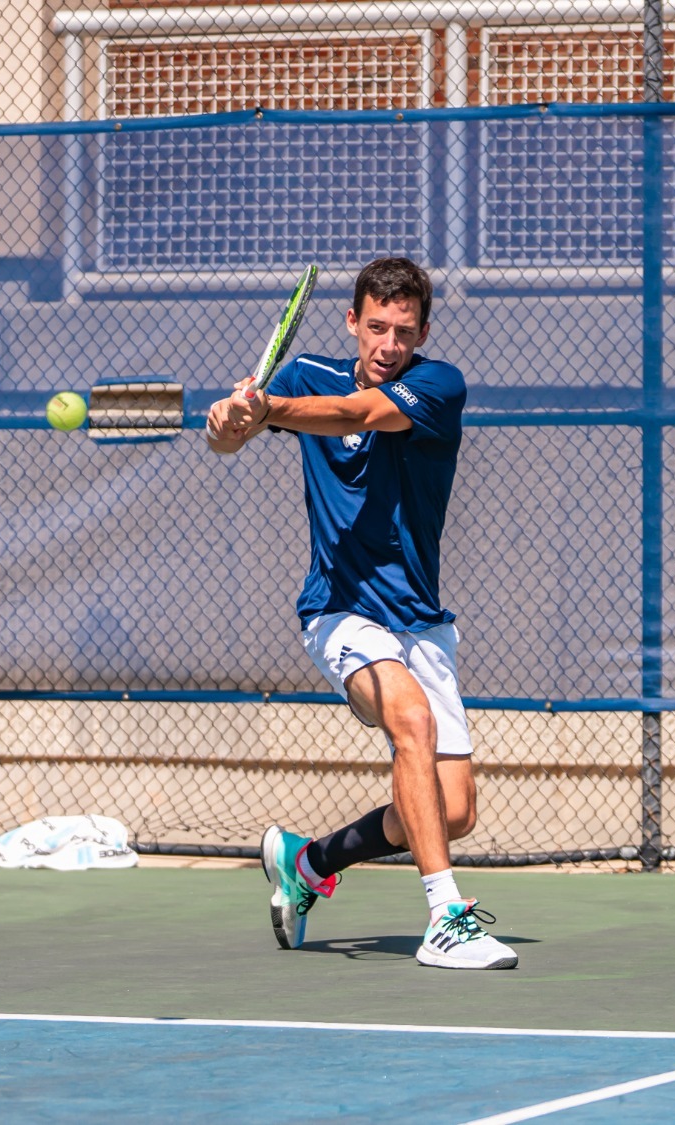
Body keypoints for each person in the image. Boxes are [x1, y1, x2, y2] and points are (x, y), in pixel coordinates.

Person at [204, 257, 518, 971]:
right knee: (412, 720)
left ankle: (308, 862)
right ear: (352, 321)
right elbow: (227, 439)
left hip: (422, 621)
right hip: (339, 610)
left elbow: (359, 414)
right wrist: (231, 418)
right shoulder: (306, 374)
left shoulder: (439, 384)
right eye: (375, 327)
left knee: (453, 812)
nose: (387, 344)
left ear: (423, 332)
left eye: (402, 332)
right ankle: (447, 918)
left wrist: (269, 409)